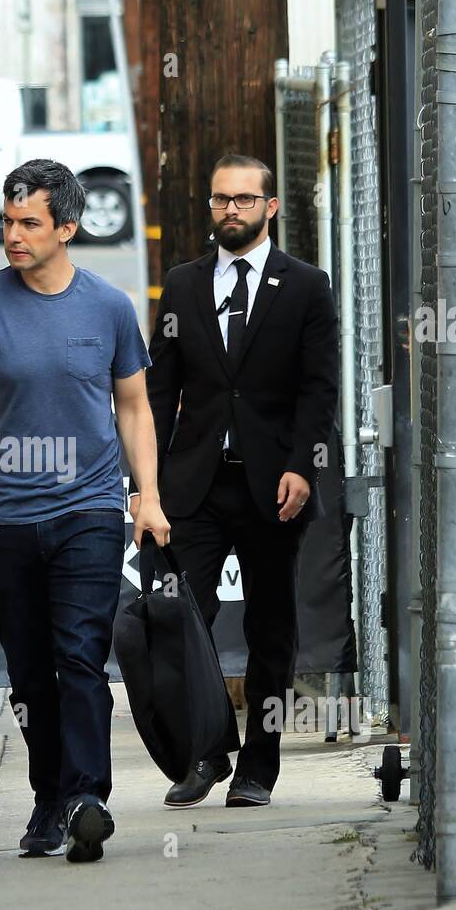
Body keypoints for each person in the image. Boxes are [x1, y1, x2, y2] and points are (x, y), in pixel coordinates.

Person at [0, 159, 170, 864]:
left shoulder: (109, 307)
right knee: (31, 671)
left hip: (89, 509)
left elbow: (134, 405)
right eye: (6, 222)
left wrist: (146, 494)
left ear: (66, 227)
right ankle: (48, 796)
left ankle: (88, 797)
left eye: (28, 223)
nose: (13, 235)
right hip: (5, 513)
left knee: (80, 657)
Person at [135, 153, 338, 810]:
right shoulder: (184, 285)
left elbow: (319, 389)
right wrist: (148, 486)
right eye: (221, 199)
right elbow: (157, 393)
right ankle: (205, 748)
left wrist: (303, 466)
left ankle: (259, 766)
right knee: (177, 619)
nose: (230, 210)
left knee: (271, 630)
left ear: (270, 207)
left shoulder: (306, 286)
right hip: (194, 486)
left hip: (273, 486)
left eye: (244, 200)